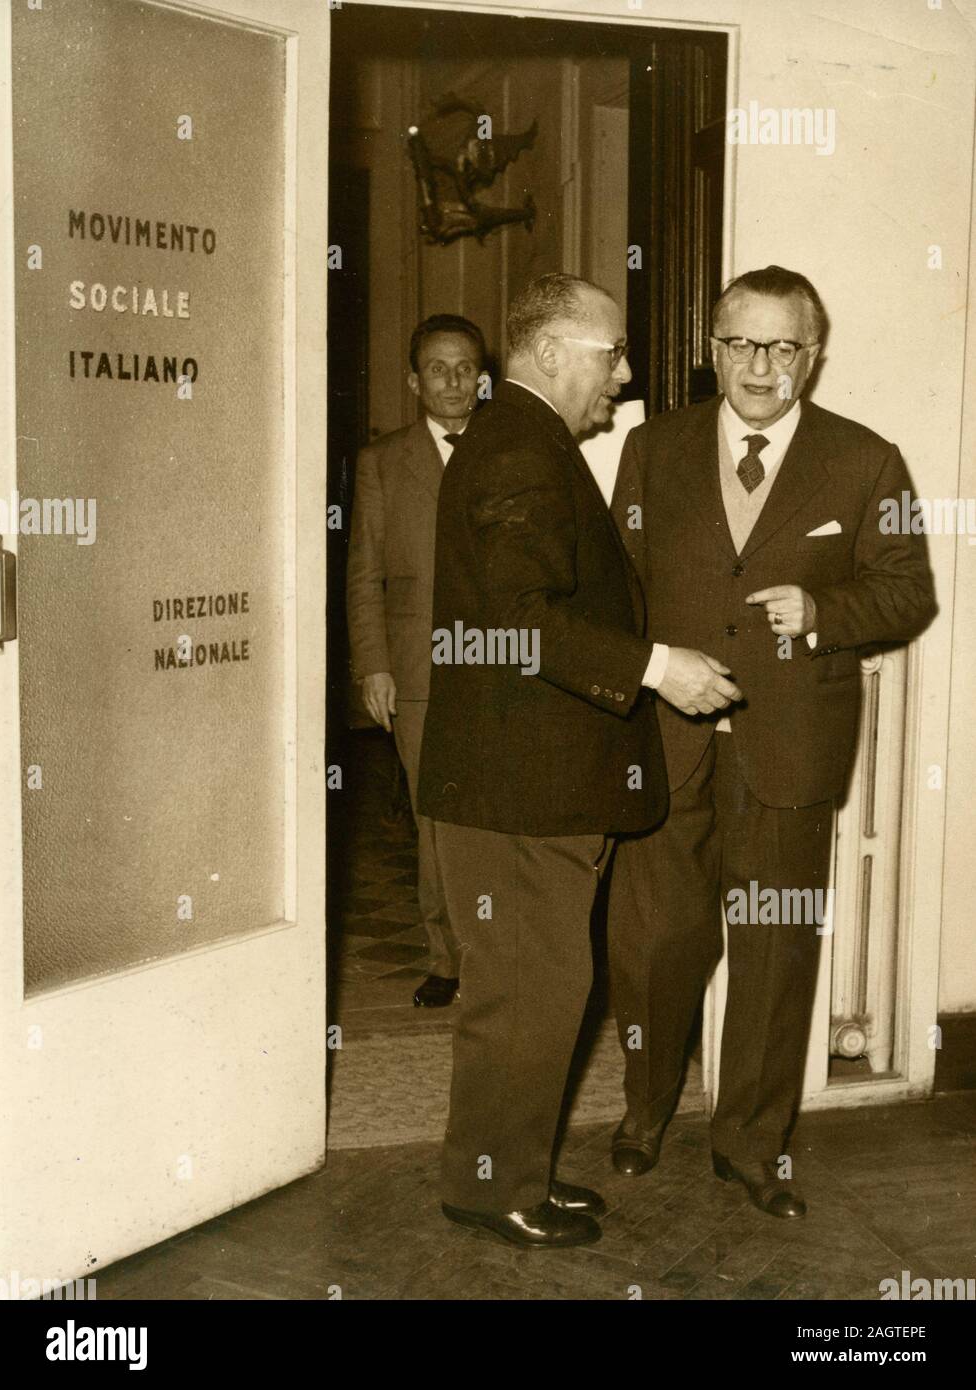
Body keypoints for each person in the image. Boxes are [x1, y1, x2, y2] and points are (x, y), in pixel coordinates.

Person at [417, 273, 740, 1247]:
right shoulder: (518, 446)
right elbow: (516, 622)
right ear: (552, 350)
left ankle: (508, 1171)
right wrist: (654, 666)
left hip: (523, 780)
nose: (626, 373)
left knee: (533, 991)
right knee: (526, 994)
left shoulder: (519, 438)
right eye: (611, 353)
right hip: (521, 788)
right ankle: (493, 1187)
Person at [608, 265, 937, 1218]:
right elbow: (620, 586)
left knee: (776, 948)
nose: (761, 366)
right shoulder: (651, 448)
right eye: (742, 343)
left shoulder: (868, 460)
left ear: (813, 356)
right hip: (669, 739)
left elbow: (909, 588)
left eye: (783, 346)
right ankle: (643, 1109)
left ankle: (751, 1144)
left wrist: (824, 610)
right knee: (655, 944)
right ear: (713, 348)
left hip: (792, 748)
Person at [346, 314, 486, 1007]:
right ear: (413, 381)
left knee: (501, 815)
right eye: (438, 368)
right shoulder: (382, 462)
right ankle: (448, 958)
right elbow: (363, 572)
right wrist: (374, 666)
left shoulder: (512, 450)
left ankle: (501, 954)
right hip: (420, 669)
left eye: (466, 367)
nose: (455, 381)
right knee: (436, 819)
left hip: (505, 667)